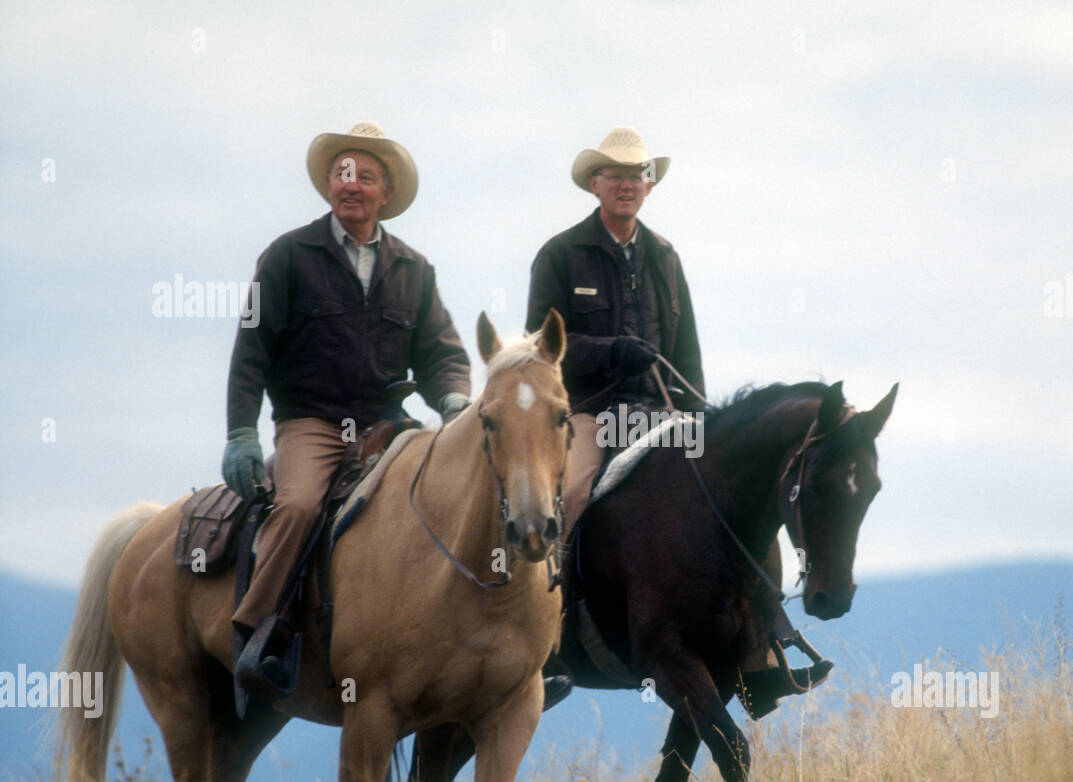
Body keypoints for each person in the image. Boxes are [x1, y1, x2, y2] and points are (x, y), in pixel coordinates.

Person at [525, 126, 830, 717]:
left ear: (649, 185)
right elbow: (541, 341)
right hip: (593, 414)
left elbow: (686, 351)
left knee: (732, 499)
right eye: (614, 174)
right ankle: (549, 642)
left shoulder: (666, 256)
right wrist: (612, 350)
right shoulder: (562, 253)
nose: (626, 184)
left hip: (666, 415)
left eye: (637, 175)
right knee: (576, 491)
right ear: (595, 183)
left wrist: (700, 419)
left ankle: (764, 650)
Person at [222, 121, 473, 697]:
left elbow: (442, 355)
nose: (351, 184)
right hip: (312, 422)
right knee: (299, 505)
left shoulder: (415, 269)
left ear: (385, 192)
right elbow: (251, 352)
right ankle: (265, 631)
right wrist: (241, 431)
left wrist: (455, 397)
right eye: (342, 173)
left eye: (365, 176)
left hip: (390, 425)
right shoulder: (288, 256)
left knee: (457, 498)